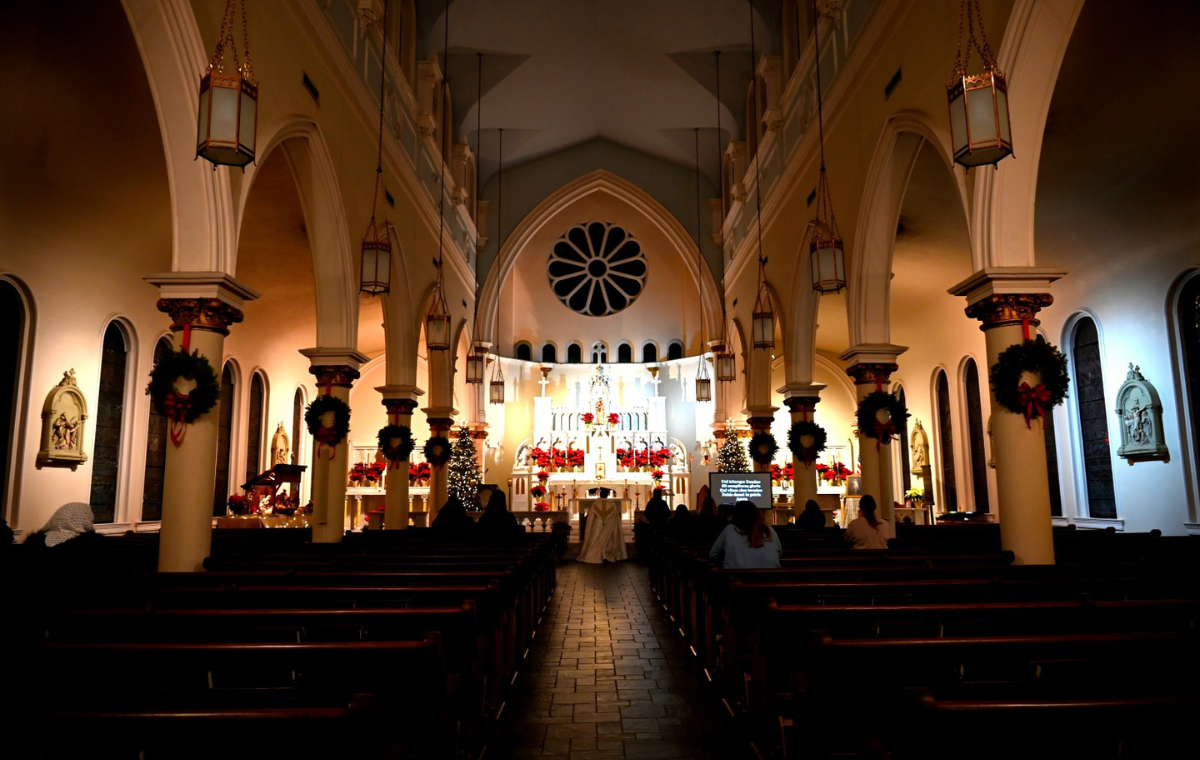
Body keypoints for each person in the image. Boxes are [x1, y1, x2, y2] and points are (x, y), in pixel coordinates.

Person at [709, 501, 782, 569]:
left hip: (737, 578)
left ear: (735, 515)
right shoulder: (769, 530)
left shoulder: (729, 530)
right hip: (770, 578)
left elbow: (713, 554)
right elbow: (779, 553)